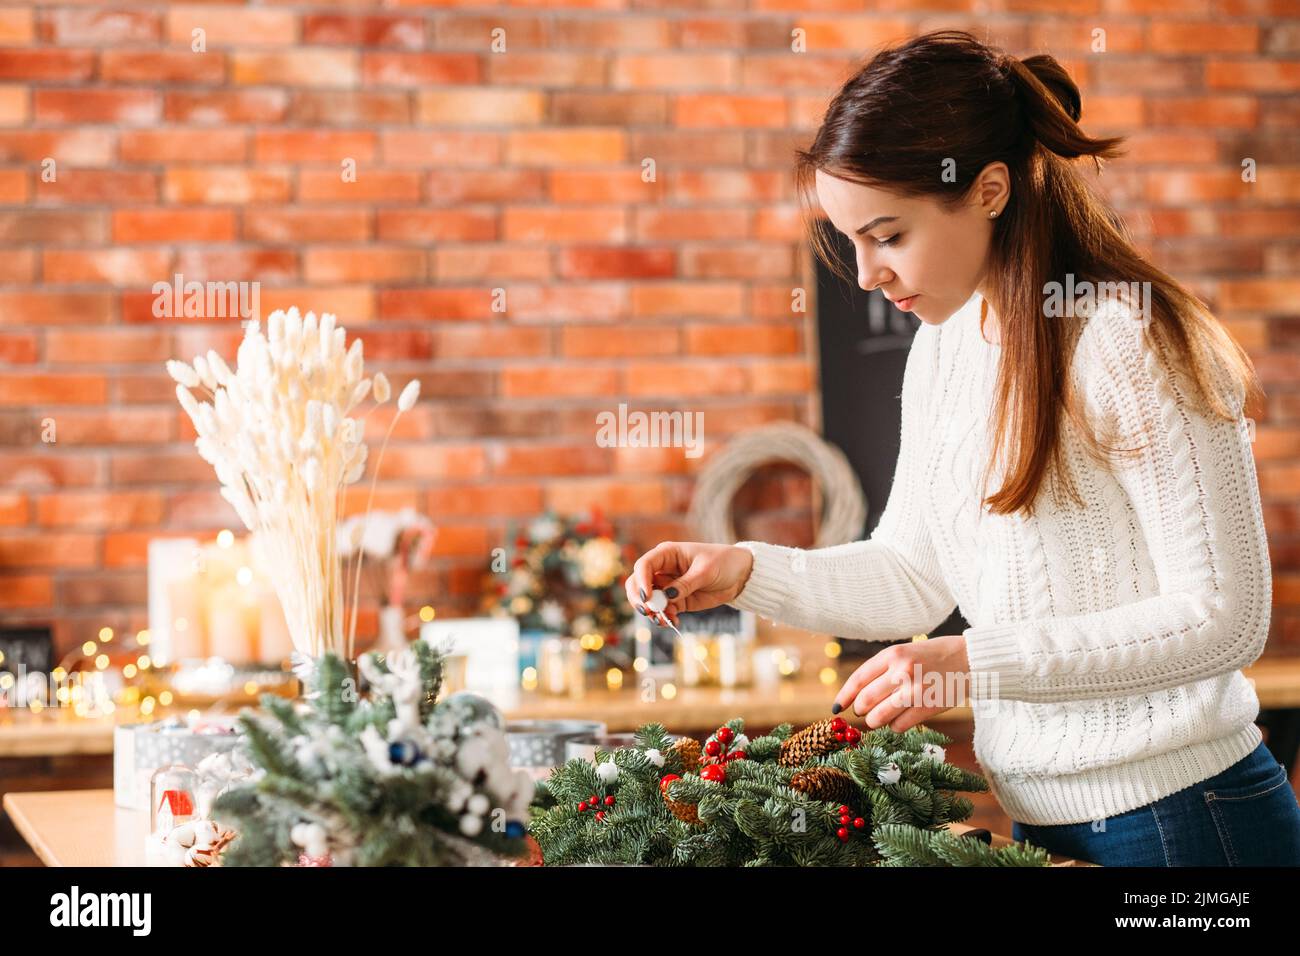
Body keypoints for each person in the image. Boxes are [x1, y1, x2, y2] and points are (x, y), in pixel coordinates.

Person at [624, 30, 1300, 866]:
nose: (867, 274)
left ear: (988, 190)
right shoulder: (946, 346)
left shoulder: (1130, 339)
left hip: (1190, 823)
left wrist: (970, 663)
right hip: (1045, 819)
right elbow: (911, 577)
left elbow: (1226, 620)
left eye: (888, 235)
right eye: (851, 242)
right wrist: (745, 571)